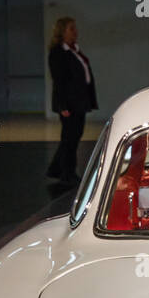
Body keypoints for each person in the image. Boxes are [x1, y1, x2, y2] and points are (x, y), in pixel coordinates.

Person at [45, 16, 97, 184]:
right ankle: (68, 173)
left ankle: (56, 168)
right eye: (71, 29)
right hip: (69, 103)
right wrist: (62, 105)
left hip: (79, 101)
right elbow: (59, 80)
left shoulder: (74, 50)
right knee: (70, 137)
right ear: (62, 32)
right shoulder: (58, 52)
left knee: (73, 136)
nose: (75, 32)